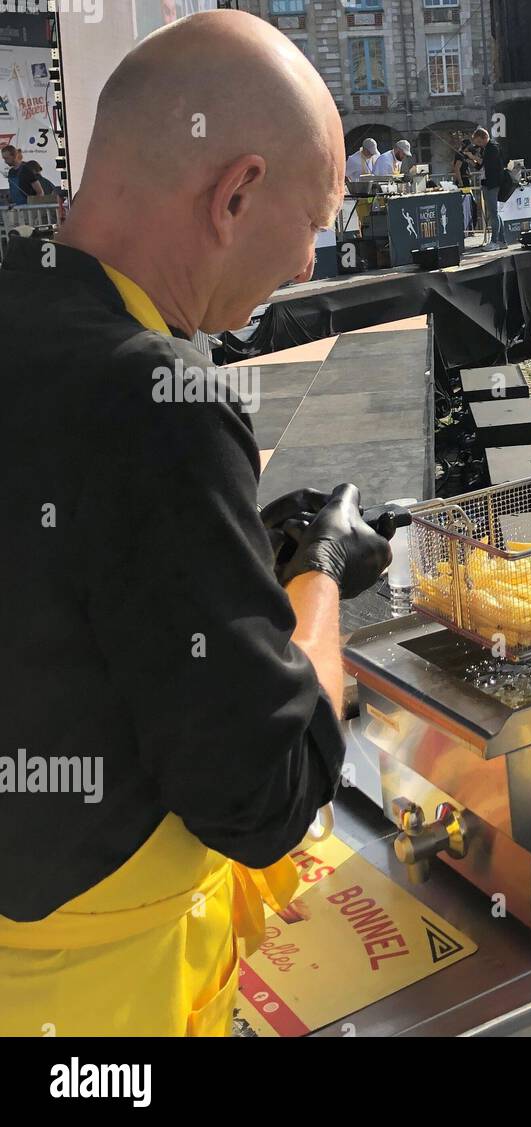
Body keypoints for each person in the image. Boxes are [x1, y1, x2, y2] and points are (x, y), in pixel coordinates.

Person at [0, 9, 393, 1036]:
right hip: (97, 1004)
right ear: (236, 194)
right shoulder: (155, 394)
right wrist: (319, 569)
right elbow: (263, 795)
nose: (308, 265)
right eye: (310, 225)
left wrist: (216, 550)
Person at [472, 126, 506, 248]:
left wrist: (475, 158)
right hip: (487, 183)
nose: (479, 145)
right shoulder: (486, 148)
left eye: (479, 142)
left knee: (494, 213)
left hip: (492, 183)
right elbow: (480, 166)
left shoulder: (492, 147)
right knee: (494, 213)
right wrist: (473, 159)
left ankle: (495, 241)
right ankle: (502, 241)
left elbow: (487, 164)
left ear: (485, 137)